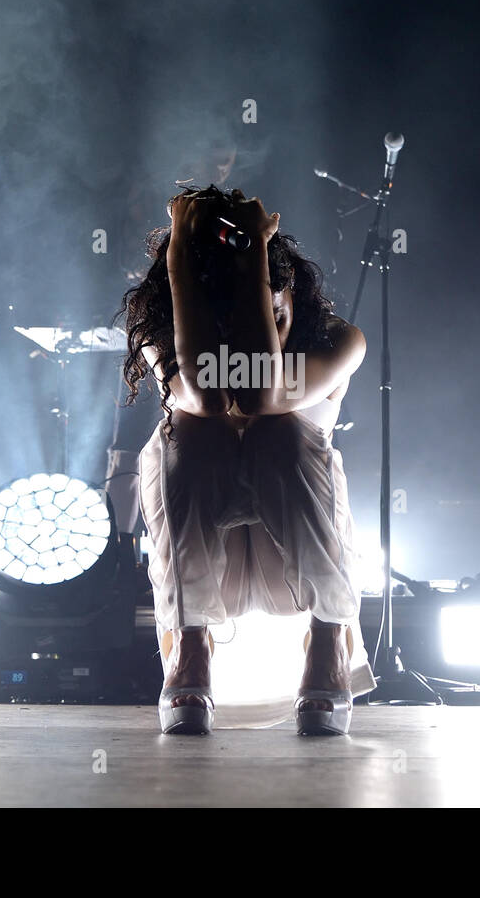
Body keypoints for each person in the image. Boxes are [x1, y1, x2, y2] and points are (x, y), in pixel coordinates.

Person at [116, 185, 375, 735]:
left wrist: (254, 253)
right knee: (190, 430)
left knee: (278, 429)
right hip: (214, 583)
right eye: (230, 323)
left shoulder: (337, 342)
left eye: (271, 314)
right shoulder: (165, 344)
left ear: (293, 298)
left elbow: (261, 393)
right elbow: (209, 397)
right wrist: (179, 258)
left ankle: (327, 643)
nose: (257, 335)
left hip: (297, 580)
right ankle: (192, 651)